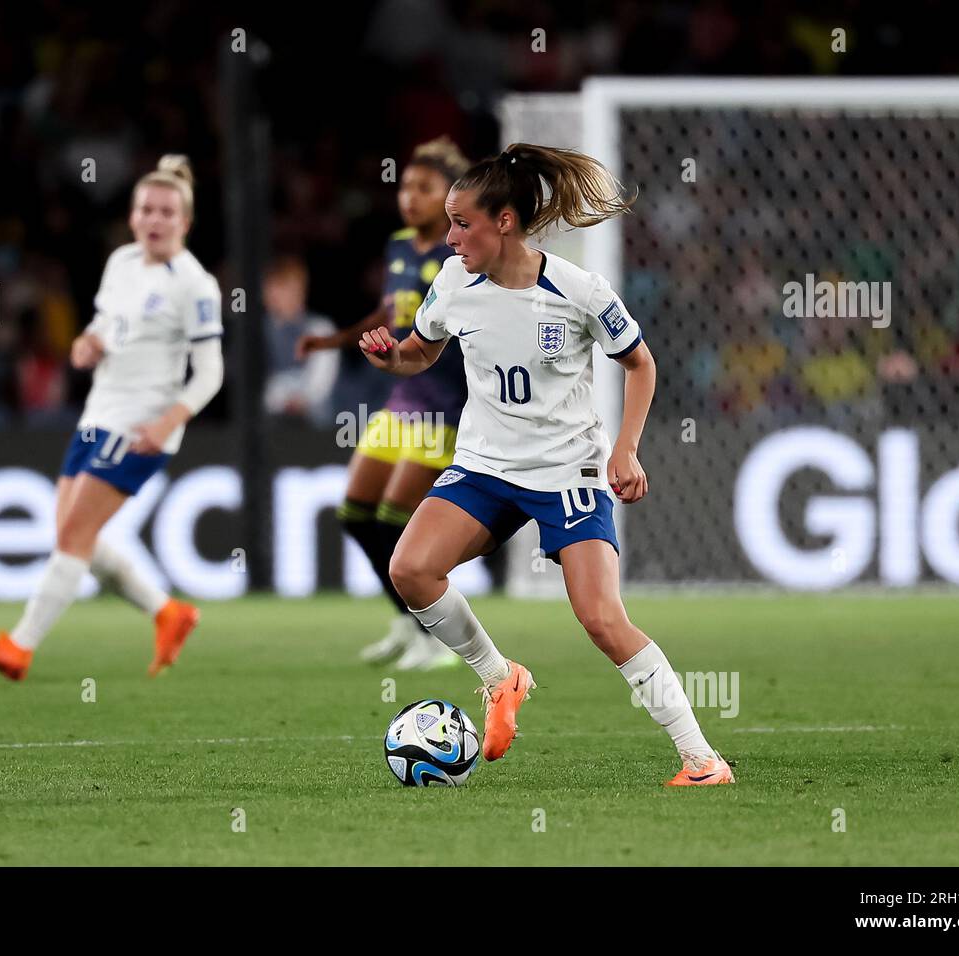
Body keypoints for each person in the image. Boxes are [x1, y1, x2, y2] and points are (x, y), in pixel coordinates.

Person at [361, 143, 734, 786]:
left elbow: (640, 362)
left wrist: (625, 448)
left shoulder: (578, 290)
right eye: (448, 223)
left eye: (462, 223)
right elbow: (421, 353)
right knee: (411, 568)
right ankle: (499, 677)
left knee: (600, 618)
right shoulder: (452, 283)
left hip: (567, 473)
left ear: (504, 222)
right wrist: (392, 356)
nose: (449, 238)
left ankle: (701, 760)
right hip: (483, 466)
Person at [0, 155, 224, 681]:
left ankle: (20, 646)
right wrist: (90, 342)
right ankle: (168, 612)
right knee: (71, 532)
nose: (154, 219)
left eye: (166, 212)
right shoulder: (123, 262)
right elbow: (109, 321)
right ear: (132, 216)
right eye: (146, 209)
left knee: (73, 536)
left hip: (139, 427)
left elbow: (210, 373)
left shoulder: (196, 285)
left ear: (185, 223)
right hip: (97, 415)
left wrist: (168, 421)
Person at [297, 136, 471, 670]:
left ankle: (436, 637)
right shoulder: (399, 245)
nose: (409, 197)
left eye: (424, 188)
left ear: (450, 197)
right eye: (405, 187)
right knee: (354, 514)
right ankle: (406, 622)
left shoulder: (462, 253)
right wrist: (332, 341)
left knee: (396, 518)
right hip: (401, 400)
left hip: (443, 407)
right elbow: (389, 310)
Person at [262, 256, 340, 425]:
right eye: (274, 288)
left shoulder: (320, 329)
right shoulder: (257, 333)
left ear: (301, 290)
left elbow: (320, 384)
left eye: (286, 288)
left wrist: (300, 401)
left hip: (314, 426)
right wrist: (279, 401)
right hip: (268, 426)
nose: (279, 296)